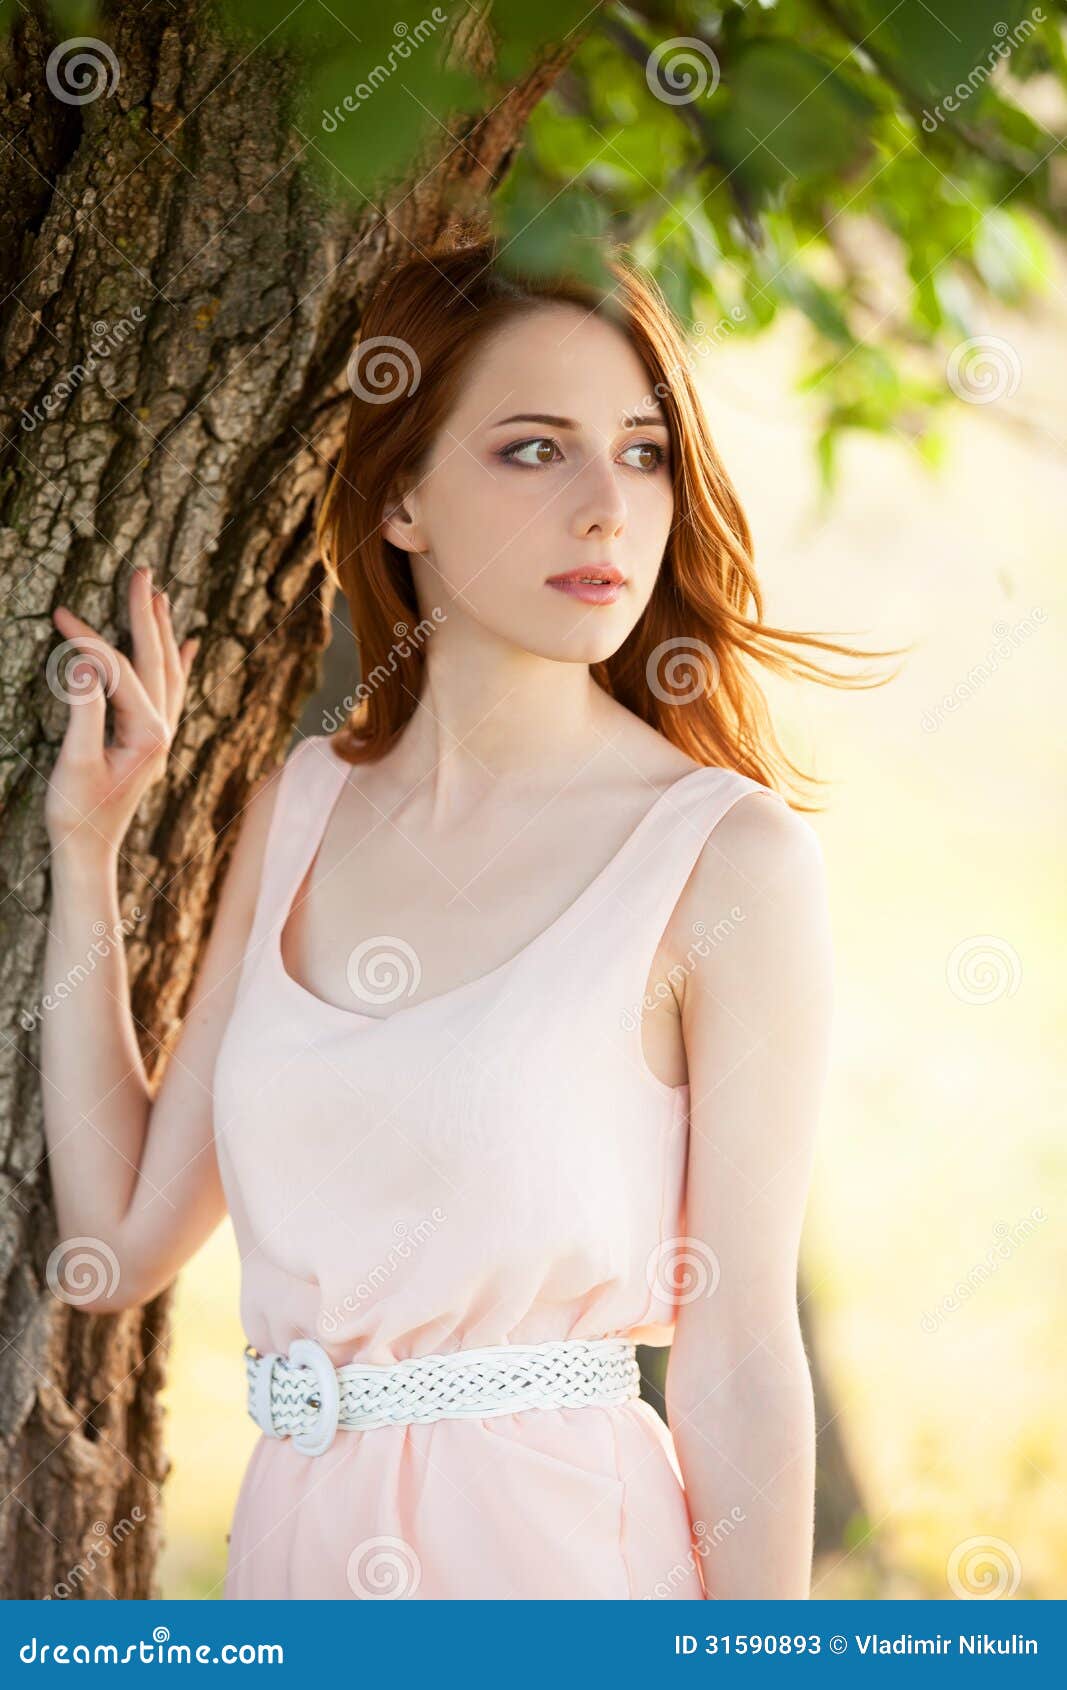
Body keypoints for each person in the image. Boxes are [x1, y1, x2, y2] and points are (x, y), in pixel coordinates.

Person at [42, 237, 887, 1600]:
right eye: (534, 451)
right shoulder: (306, 806)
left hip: (563, 1569)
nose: (609, 505)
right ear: (401, 503)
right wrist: (84, 851)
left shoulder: (726, 860)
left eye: (644, 450)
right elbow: (118, 1243)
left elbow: (735, 1359)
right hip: (296, 1562)